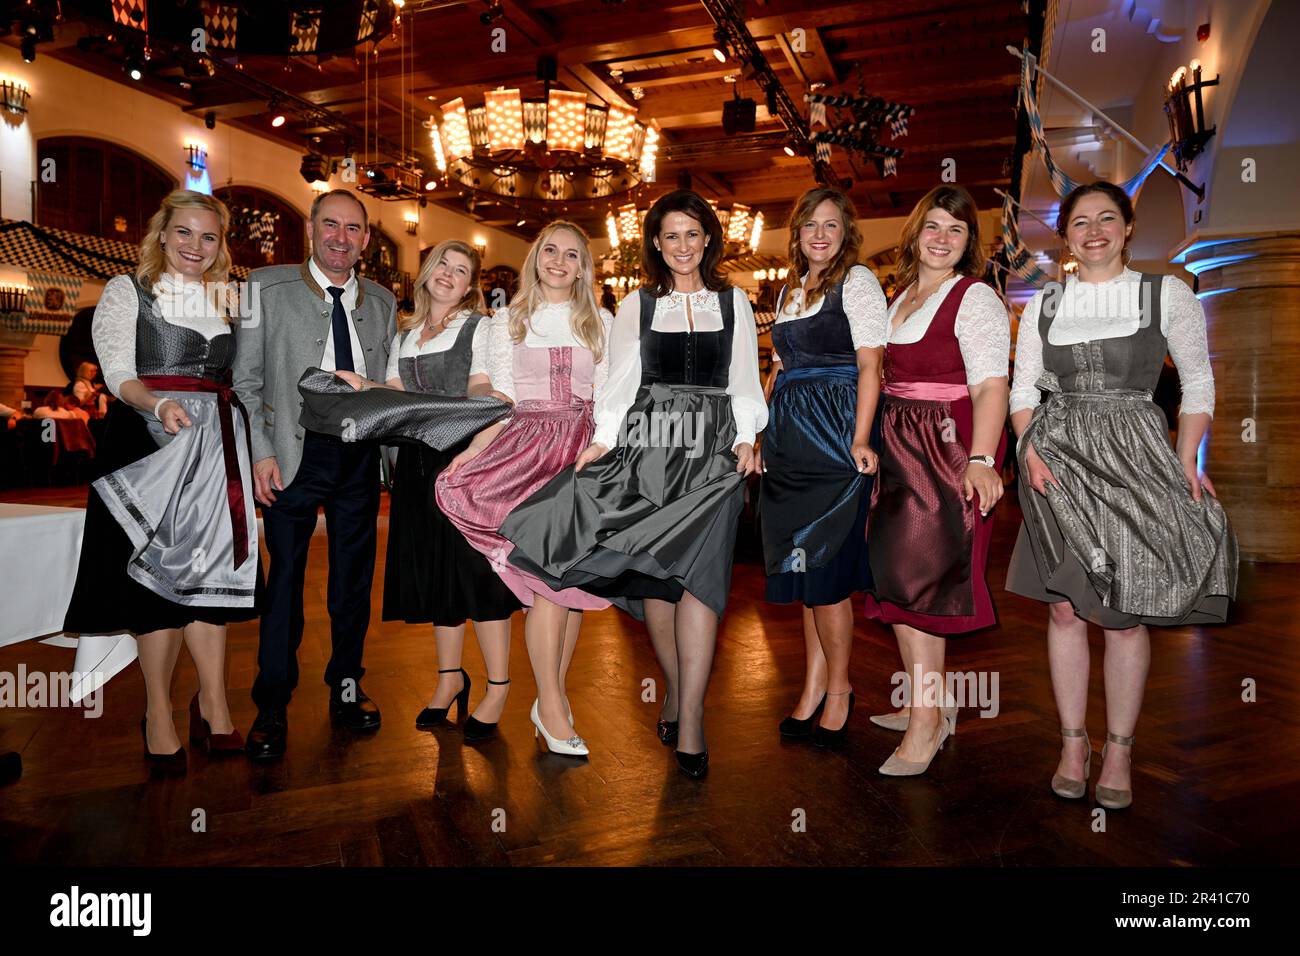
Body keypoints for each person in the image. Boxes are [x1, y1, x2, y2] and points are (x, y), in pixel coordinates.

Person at [501, 190, 767, 778]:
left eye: (692, 234)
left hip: (714, 450)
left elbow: (745, 379)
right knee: (658, 582)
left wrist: (748, 436)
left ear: (708, 239)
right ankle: (675, 689)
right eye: (671, 235)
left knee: (701, 582)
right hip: (651, 447)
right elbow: (620, 382)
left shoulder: (735, 302)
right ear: (656, 243)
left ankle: (691, 718)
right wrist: (602, 440)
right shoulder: (635, 305)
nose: (682, 245)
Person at [1005, 180, 1237, 809]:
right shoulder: (1047, 303)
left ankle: (1121, 748)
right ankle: (1072, 744)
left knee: (1126, 614)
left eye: (1107, 218)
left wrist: (1186, 458)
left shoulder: (1166, 294)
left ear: (1128, 227)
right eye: (1080, 222)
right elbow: (1023, 389)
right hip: (1058, 458)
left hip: (1136, 456)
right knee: (1063, 608)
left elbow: (1199, 381)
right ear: (1066, 236)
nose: (1094, 231)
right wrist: (1031, 451)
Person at [63, 189, 258, 775]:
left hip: (217, 448)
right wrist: (159, 405)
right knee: (156, 584)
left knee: (210, 575)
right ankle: (157, 713)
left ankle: (215, 705)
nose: (196, 245)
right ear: (162, 234)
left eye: (209, 236)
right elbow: (119, 374)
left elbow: (245, 379)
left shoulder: (231, 298)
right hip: (149, 444)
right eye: (184, 232)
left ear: (221, 244)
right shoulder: (129, 290)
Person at [331, 239, 522, 740]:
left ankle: (498, 686)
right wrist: (361, 384)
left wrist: (472, 405)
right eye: (443, 264)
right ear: (428, 271)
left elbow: (484, 386)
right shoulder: (406, 333)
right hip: (417, 463)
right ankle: (449, 679)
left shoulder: (480, 327)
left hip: (467, 457)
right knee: (439, 575)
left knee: (478, 575)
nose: (449, 274)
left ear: (470, 285)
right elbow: (397, 394)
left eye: (461, 270)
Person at [436, 222, 613, 755]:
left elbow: (611, 396)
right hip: (529, 453)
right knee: (547, 587)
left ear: (583, 266)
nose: (559, 261)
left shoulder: (602, 321)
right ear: (536, 258)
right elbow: (503, 401)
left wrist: (605, 448)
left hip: (584, 456)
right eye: (550, 251)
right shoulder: (506, 322)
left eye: (571, 255)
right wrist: (473, 451)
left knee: (572, 588)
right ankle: (552, 707)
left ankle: (552, 699)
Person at [233, 188, 397, 760]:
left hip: (359, 455)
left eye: (353, 229)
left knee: (353, 582)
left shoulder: (382, 301)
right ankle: (272, 703)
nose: (340, 238)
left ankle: (347, 688)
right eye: (331, 224)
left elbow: (389, 385)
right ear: (310, 229)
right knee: (284, 582)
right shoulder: (262, 287)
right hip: (289, 452)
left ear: (366, 240)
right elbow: (245, 381)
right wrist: (259, 452)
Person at [863, 185, 1010, 776]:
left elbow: (991, 385)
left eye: (956, 229)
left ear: (969, 241)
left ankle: (927, 721)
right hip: (898, 443)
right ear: (916, 233)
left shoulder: (975, 298)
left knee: (922, 582)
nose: (943, 238)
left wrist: (982, 458)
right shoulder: (901, 296)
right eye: (933, 226)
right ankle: (930, 700)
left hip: (944, 447)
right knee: (897, 577)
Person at [759, 186, 887, 747]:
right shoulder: (790, 288)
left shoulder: (857, 282)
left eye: (830, 225)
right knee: (803, 571)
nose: (819, 234)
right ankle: (813, 685)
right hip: (789, 435)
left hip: (836, 432)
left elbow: (871, 365)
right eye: (810, 224)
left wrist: (860, 437)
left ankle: (839, 688)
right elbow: (778, 368)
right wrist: (759, 434)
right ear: (797, 232)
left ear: (845, 233)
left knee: (828, 575)